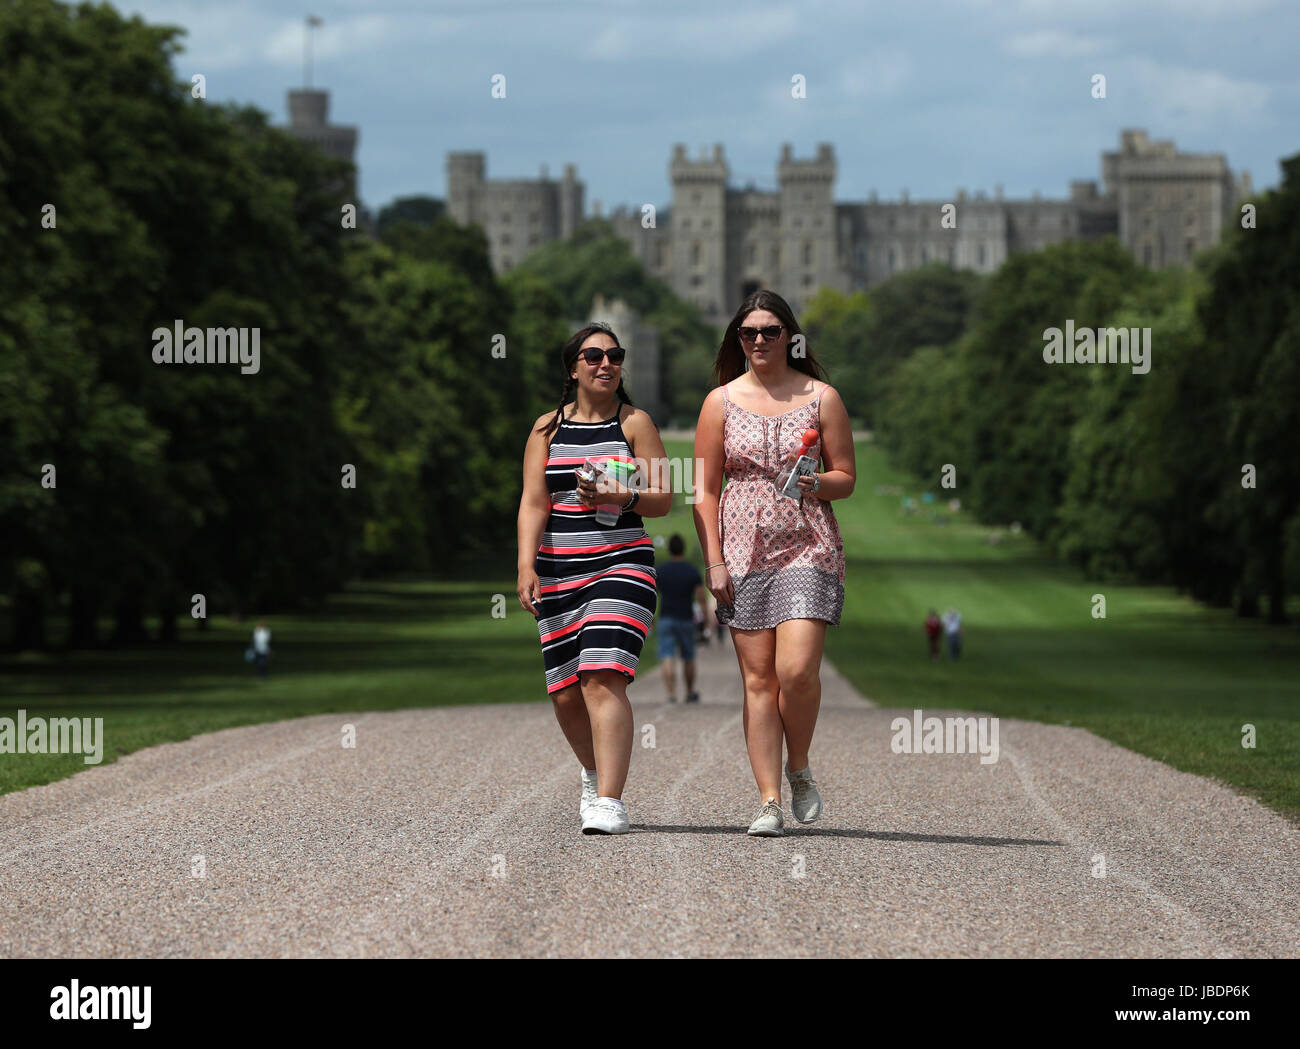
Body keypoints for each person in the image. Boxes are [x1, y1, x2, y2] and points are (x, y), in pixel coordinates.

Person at [693, 289, 854, 837]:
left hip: (808, 541)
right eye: (748, 333)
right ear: (736, 340)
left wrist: (816, 481)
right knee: (759, 680)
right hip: (741, 548)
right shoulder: (719, 401)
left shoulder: (821, 397)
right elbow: (704, 490)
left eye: (769, 331)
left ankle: (799, 764)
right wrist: (713, 561)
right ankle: (768, 801)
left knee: (796, 671)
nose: (758, 341)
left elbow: (846, 478)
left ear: (791, 337)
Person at [516, 322, 671, 835]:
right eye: (593, 356)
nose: (606, 364)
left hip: (622, 562)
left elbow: (664, 498)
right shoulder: (546, 429)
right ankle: (592, 771)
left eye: (615, 355)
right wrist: (525, 564)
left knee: (601, 675)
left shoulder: (635, 424)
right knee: (565, 693)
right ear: (573, 368)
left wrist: (618, 495)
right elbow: (534, 501)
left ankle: (609, 800)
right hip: (560, 569)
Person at [656, 534, 708, 703]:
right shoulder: (691, 570)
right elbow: (701, 597)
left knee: (667, 655)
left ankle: (670, 693)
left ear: (669, 549)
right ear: (683, 548)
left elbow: (652, 595)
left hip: (666, 617)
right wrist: (706, 620)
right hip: (686, 618)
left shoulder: (661, 571)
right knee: (688, 656)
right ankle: (690, 691)